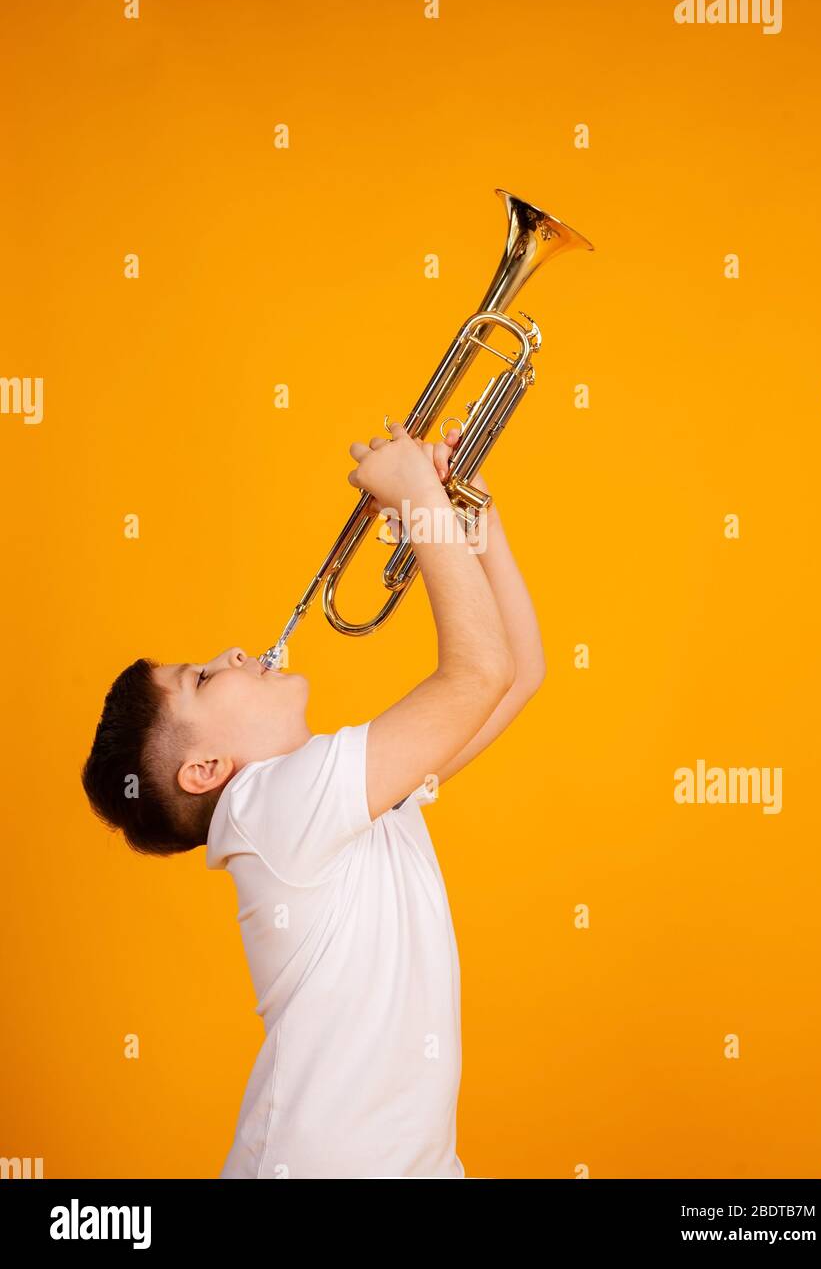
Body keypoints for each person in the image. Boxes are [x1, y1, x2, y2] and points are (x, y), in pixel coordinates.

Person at [81, 422, 546, 1178]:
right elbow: (480, 674)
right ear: (205, 769)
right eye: (201, 678)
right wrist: (421, 503)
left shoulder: (339, 802)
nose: (231, 654)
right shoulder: (268, 809)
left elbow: (517, 673)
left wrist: (470, 521)